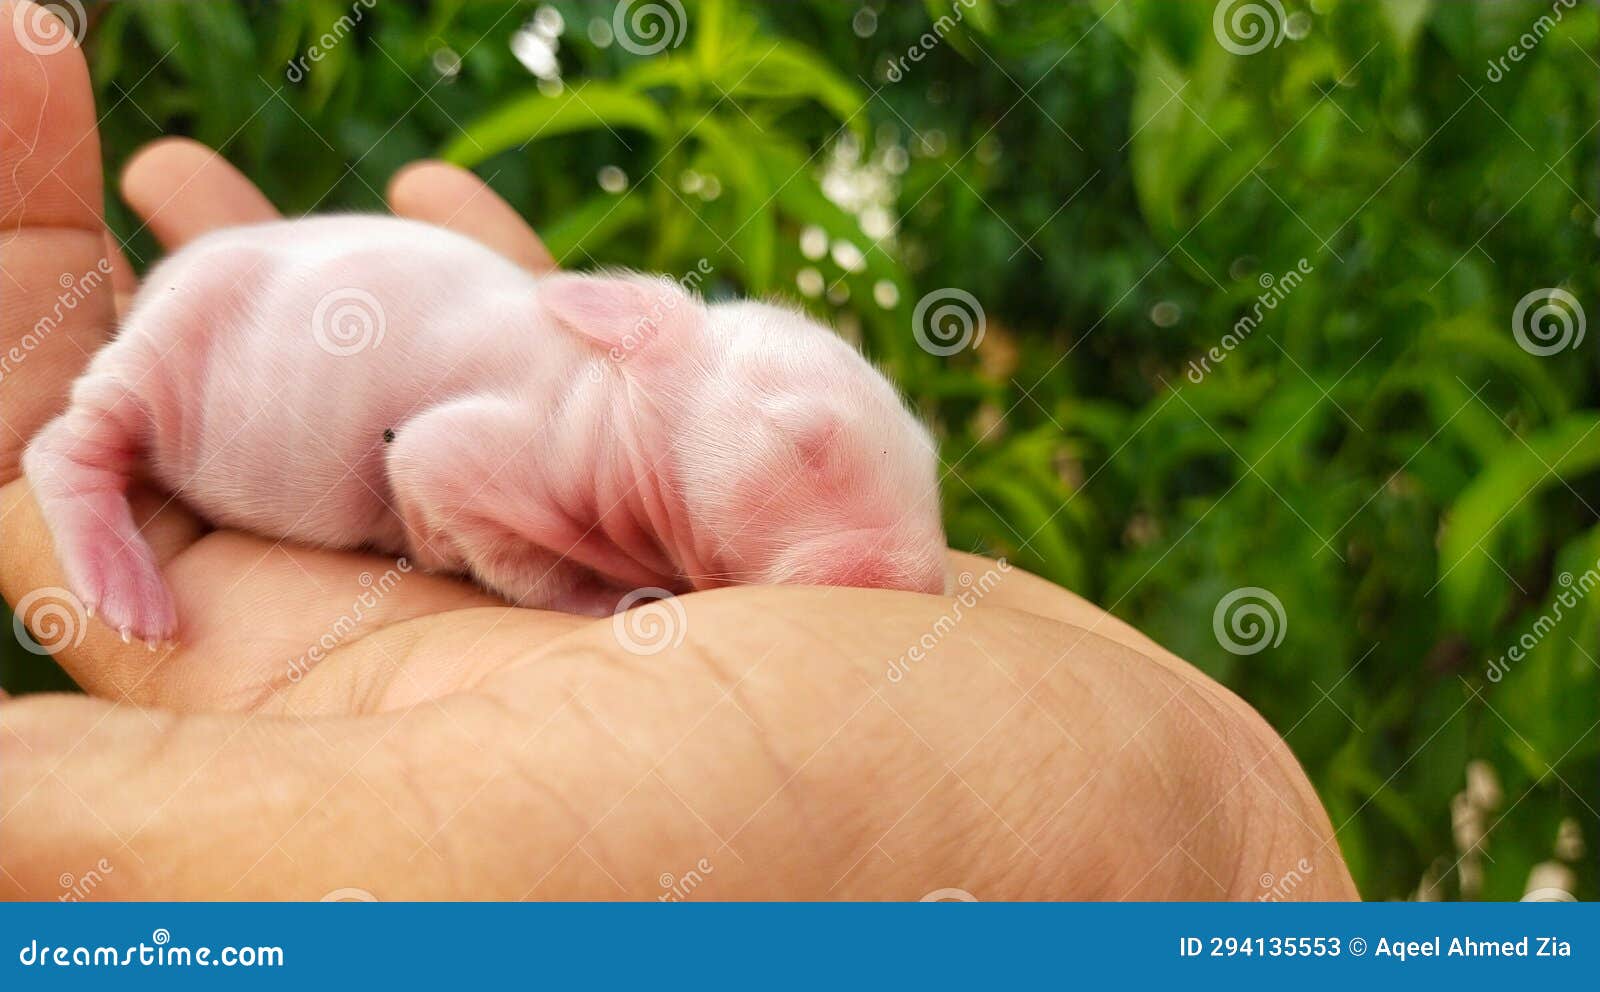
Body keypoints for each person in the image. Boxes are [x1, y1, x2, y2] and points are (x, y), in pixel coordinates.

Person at [0, 0, 1355, 900]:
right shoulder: (580, 414)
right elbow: (428, 469)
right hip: (235, 334)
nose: (898, 556)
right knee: (117, 403)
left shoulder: (647, 423)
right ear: (642, 347)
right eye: (822, 462)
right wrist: (579, 591)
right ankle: (81, 465)